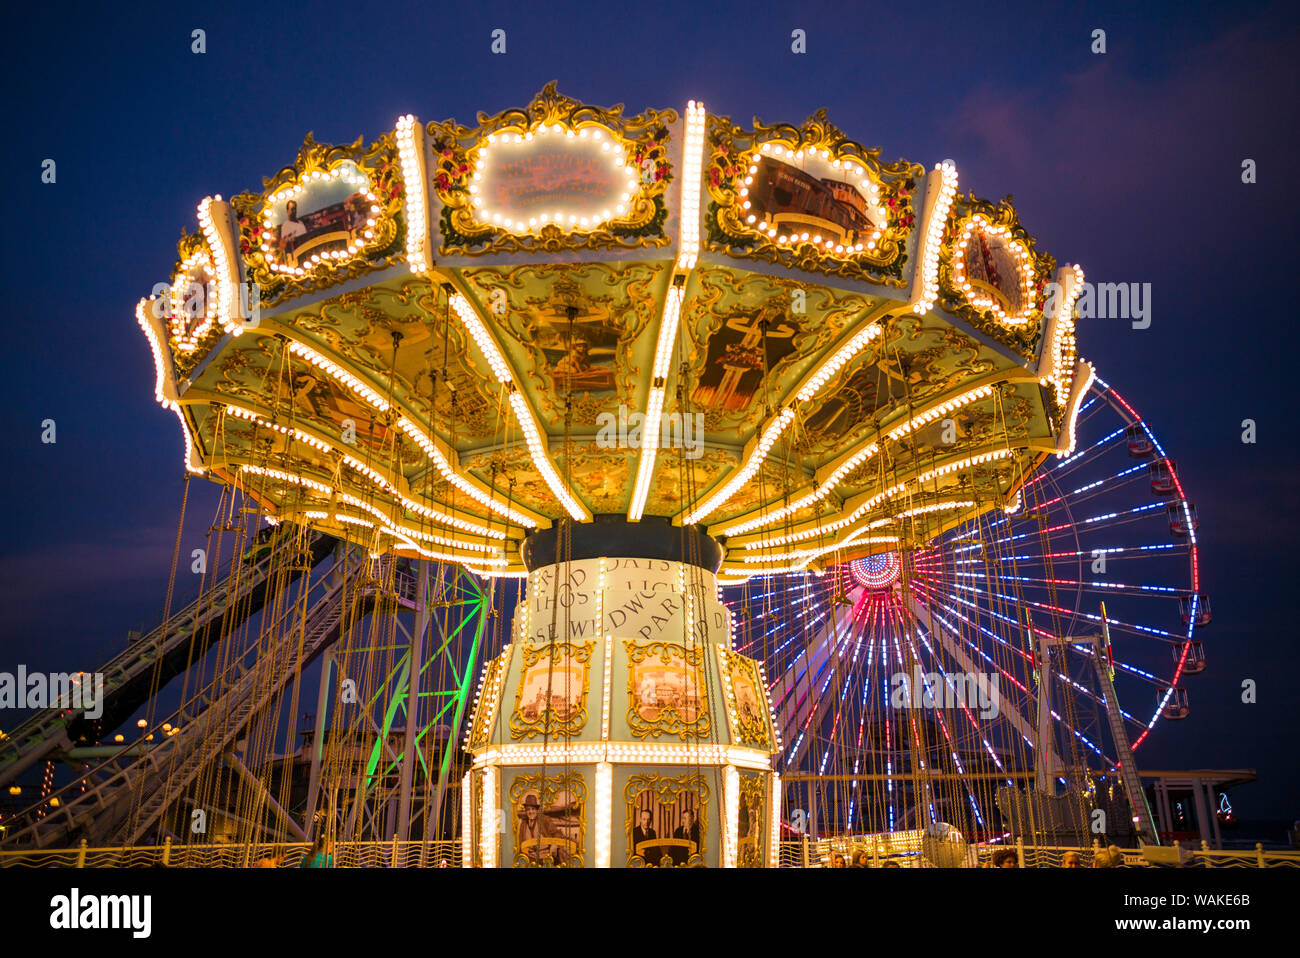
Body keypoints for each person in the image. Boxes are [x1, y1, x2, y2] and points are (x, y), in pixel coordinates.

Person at [517, 793, 569, 865]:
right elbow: (521, 843)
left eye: (533, 809)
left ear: (537, 810)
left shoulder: (544, 820)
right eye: (528, 809)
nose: (530, 812)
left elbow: (558, 833)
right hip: (530, 859)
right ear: (526, 811)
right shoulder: (523, 824)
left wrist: (554, 844)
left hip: (546, 858)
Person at [278, 200, 308, 266]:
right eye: (291, 209)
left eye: (294, 209)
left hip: (306, 251)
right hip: (296, 255)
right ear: (287, 211)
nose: (293, 211)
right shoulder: (286, 225)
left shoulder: (300, 223)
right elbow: (284, 243)